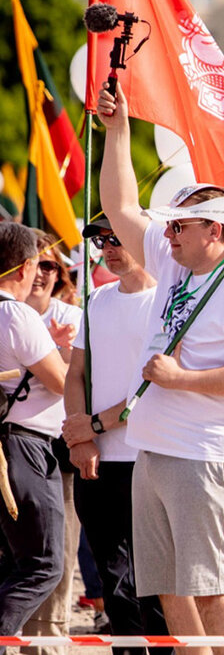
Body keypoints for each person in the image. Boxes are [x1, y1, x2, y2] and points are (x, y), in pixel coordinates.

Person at [98, 83, 224, 655]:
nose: (168, 234)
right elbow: (120, 208)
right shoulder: (175, 261)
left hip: (210, 452)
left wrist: (182, 380)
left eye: (181, 226)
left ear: (215, 231)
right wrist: (118, 131)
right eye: (171, 225)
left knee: (211, 586)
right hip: (157, 447)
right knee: (169, 588)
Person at [60, 218, 170, 655]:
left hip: (149, 457)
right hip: (98, 458)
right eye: (102, 241)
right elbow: (75, 375)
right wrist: (81, 437)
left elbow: (154, 386)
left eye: (118, 239)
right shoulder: (98, 300)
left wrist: (95, 426)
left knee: (155, 581)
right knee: (113, 578)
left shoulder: (166, 303)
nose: (108, 247)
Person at [0, 222, 70, 646]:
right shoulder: (16, 314)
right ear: (26, 267)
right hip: (23, 445)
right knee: (43, 565)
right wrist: (64, 353)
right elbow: (61, 382)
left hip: (8, 445)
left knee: (10, 562)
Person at [17, 232, 82, 655]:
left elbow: (76, 381)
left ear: (60, 274)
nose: (40, 273)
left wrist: (61, 349)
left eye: (49, 265)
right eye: (33, 264)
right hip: (12, 446)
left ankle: (46, 643)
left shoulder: (72, 317)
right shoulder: (9, 312)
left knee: (57, 551)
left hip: (57, 450)